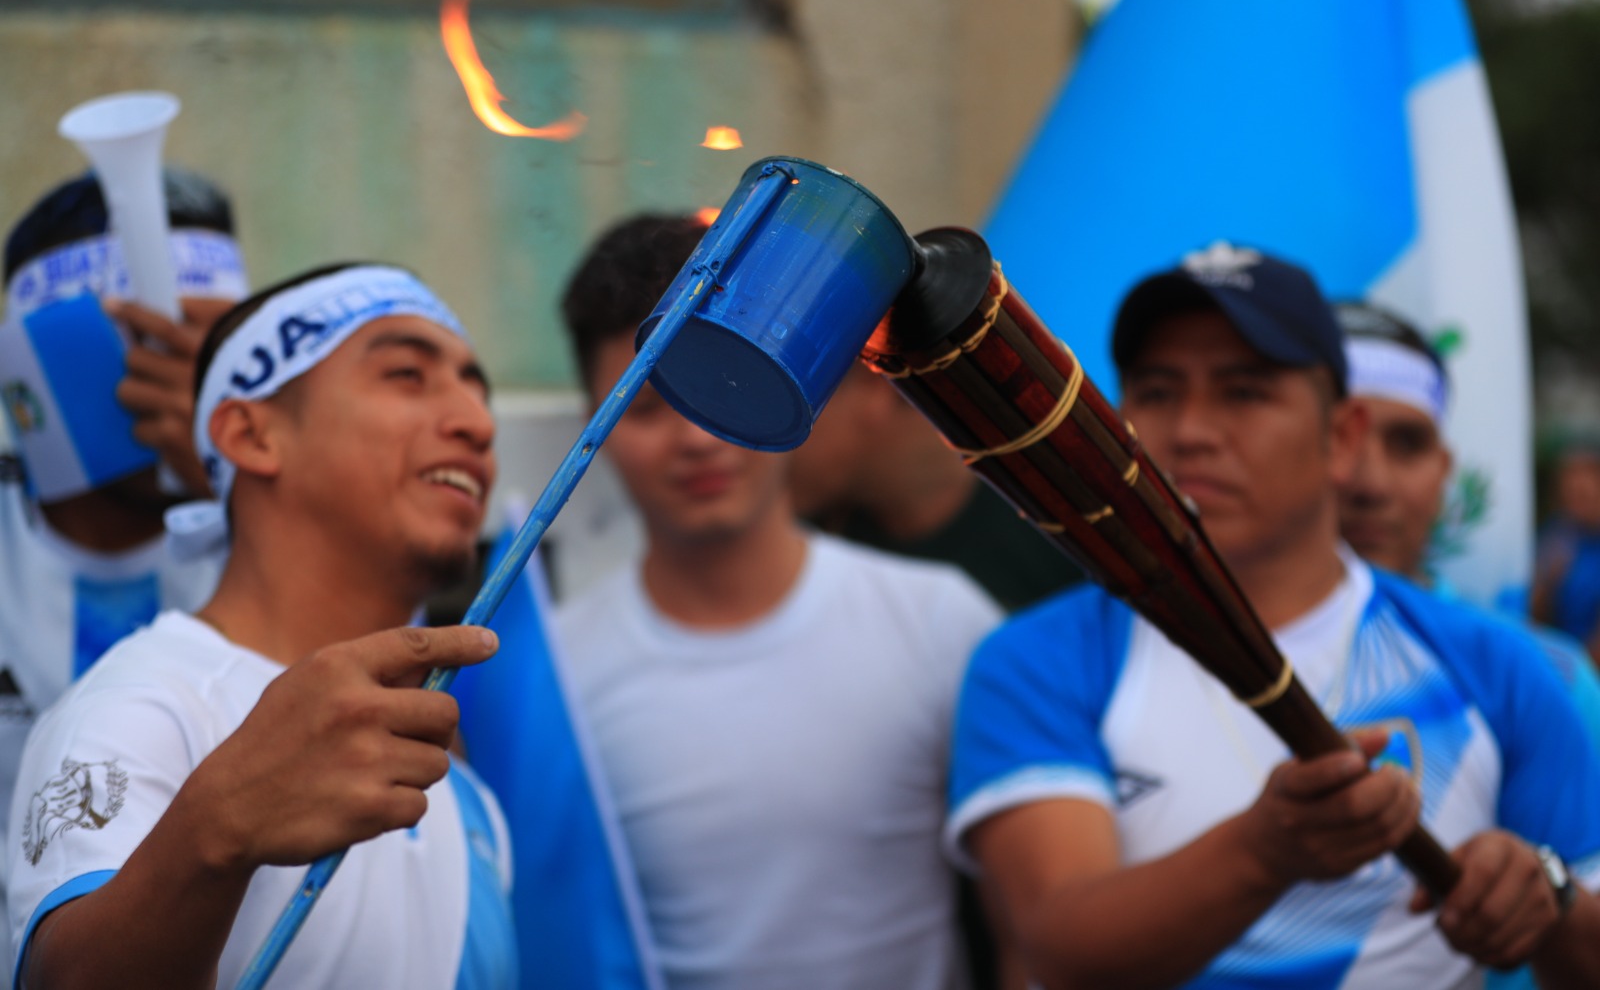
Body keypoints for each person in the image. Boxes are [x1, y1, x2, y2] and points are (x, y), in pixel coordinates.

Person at [949, 243, 1600, 989]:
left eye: (1244, 392)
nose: (1191, 430)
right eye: (1158, 393)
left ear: (1343, 436)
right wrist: (1264, 853)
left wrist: (1546, 901)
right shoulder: (1039, 660)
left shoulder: (1493, 665)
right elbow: (1059, 949)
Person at [6, 263, 515, 988]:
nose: (477, 422)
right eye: (407, 373)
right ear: (251, 433)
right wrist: (215, 832)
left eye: (476, 387)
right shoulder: (145, 708)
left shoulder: (469, 797)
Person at [553, 214, 1001, 989]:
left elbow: (1034, 915)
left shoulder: (940, 622)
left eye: (715, 380)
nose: (695, 436)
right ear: (595, 426)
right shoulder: (555, 675)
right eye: (647, 404)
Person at [0, 169, 248, 910]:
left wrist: (234, 481)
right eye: (147, 342)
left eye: (216, 344)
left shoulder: (303, 530)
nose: (193, 380)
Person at [1334, 300, 1600, 748]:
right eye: (1336, 437)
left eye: (1407, 443)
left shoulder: (1553, 676)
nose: (1371, 484)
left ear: (1443, 470)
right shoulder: (1199, 653)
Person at [791, 362, 1083, 613]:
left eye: (794, 402)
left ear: (873, 388)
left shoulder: (1065, 514)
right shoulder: (796, 542)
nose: (767, 439)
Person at [1530, 443, 1600, 658]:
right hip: (1562, 660)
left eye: (1583, 493)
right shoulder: (1557, 534)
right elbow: (1532, 618)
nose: (1573, 497)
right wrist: (1548, 581)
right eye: (1568, 490)